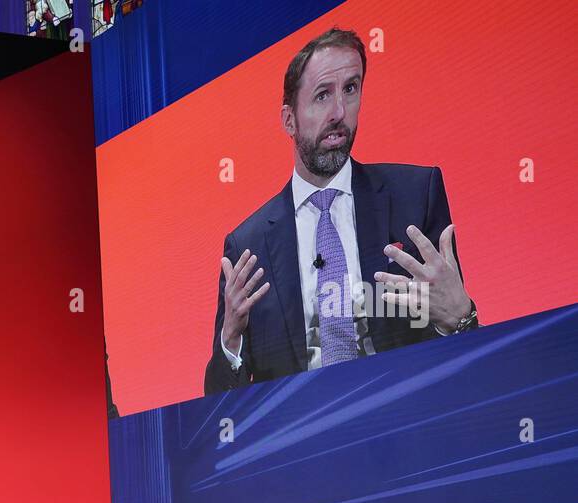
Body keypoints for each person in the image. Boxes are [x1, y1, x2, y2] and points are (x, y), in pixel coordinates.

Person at [203, 28, 478, 394]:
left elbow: (465, 361)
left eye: (350, 89)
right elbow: (219, 405)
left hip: (406, 424)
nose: (338, 112)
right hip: (304, 438)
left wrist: (460, 317)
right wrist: (230, 340)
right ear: (289, 120)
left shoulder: (415, 196)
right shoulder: (247, 246)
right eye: (321, 96)